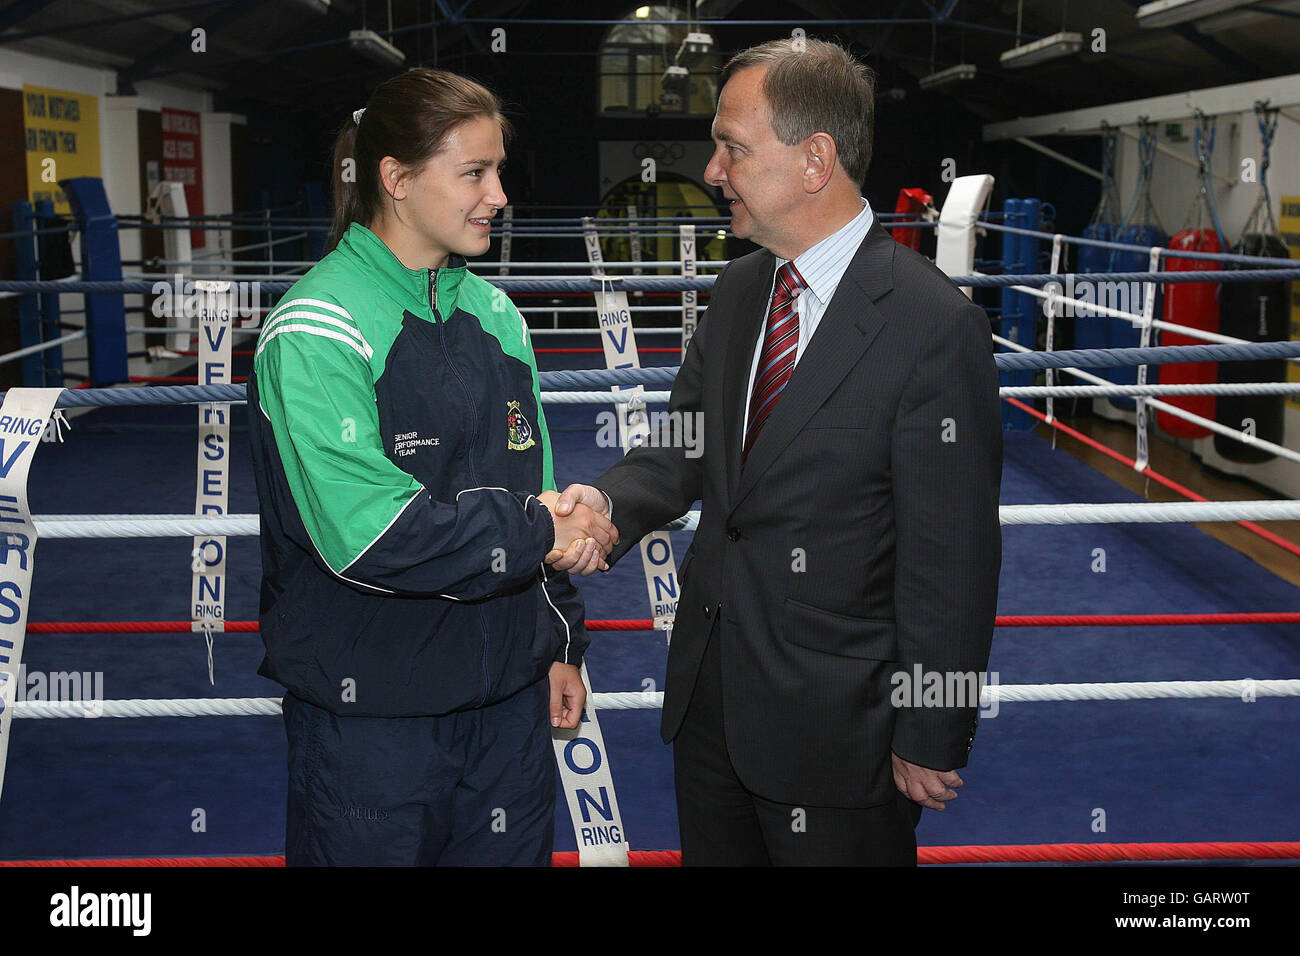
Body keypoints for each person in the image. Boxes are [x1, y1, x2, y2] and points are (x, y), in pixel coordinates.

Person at [547, 38, 1003, 865]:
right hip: (711, 706)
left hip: (843, 731)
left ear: (814, 159)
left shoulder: (933, 326)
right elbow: (687, 450)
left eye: (733, 146)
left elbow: (954, 554)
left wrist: (933, 727)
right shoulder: (740, 290)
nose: (714, 170)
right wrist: (608, 507)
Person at [248, 68, 617, 866]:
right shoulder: (318, 327)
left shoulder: (495, 315)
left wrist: (561, 644)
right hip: (372, 722)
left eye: (499, 171)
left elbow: (535, 495)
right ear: (398, 177)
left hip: (509, 716)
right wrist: (543, 530)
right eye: (475, 173)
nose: (499, 195)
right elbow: (372, 535)